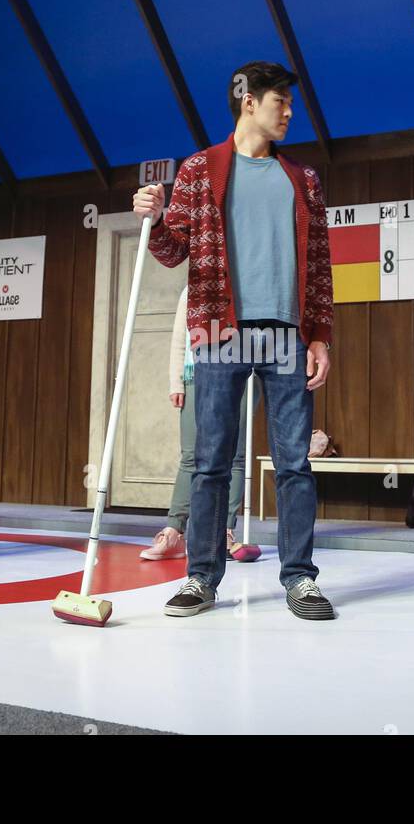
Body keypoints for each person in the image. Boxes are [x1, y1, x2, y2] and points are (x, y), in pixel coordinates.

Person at [132, 60, 335, 620]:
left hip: (287, 334)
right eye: (281, 101)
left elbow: (318, 265)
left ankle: (299, 578)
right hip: (220, 331)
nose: (290, 111)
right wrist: (148, 213)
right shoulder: (201, 169)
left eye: (290, 103)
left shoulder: (304, 180)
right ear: (249, 102)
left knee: (294, 464)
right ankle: (201, 577)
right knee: (211, 463)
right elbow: (172, 250)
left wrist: (320, 335)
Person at [143, 286, 252, 561]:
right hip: (197, 375)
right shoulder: (193, 287)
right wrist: (175, 381)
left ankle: (224, 532)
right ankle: (175, 531)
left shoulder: (250, 282)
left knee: (235, 456)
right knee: (191, 455)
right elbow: (180, 337)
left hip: (242, 370)